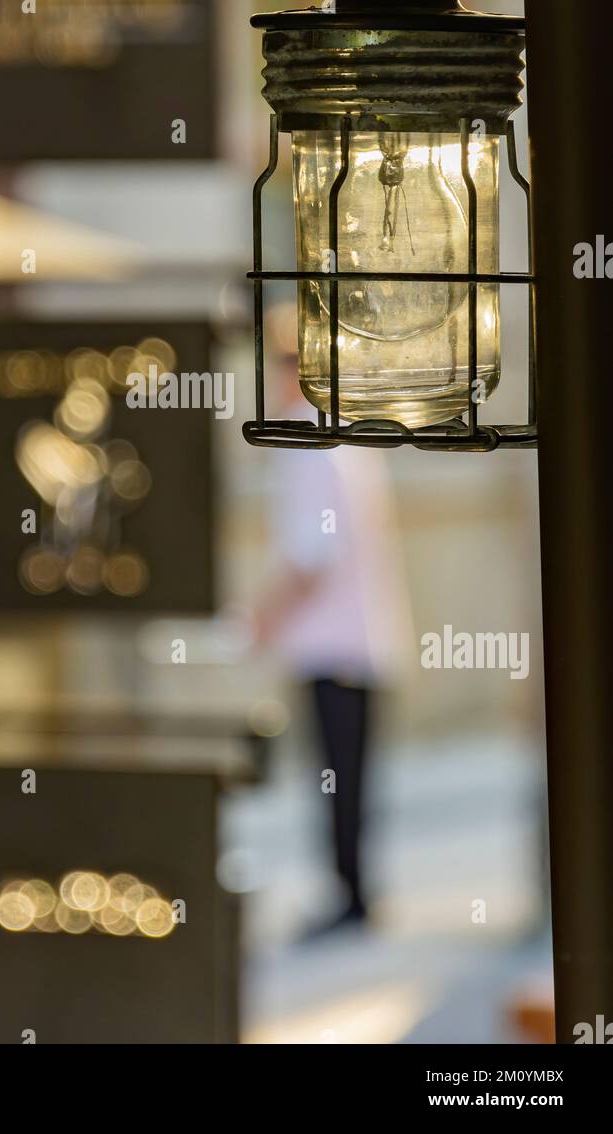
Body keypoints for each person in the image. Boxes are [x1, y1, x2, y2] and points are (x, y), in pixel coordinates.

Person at [254, 325, 413, 934]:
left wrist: (258, 619)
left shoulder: (311, 446)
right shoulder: (345, 439)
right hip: (359, 643)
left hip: (333, 646)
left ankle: (351, 898)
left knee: (338, 779)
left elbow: (309, 560)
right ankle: (354, 893)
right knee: (349, 779)